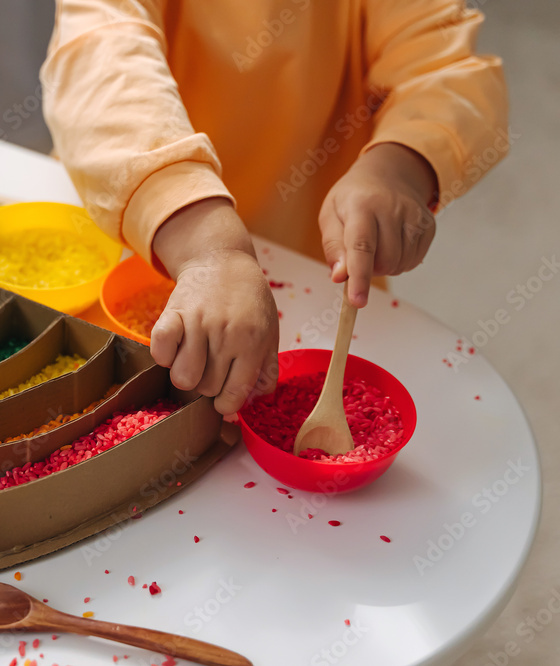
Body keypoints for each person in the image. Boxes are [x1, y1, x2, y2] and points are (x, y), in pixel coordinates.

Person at [40, 0, 508, 416]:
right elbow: (100, 59)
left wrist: (400, 167)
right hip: (125, 234)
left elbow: (445, 69)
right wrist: (207, 244)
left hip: (308, 274)